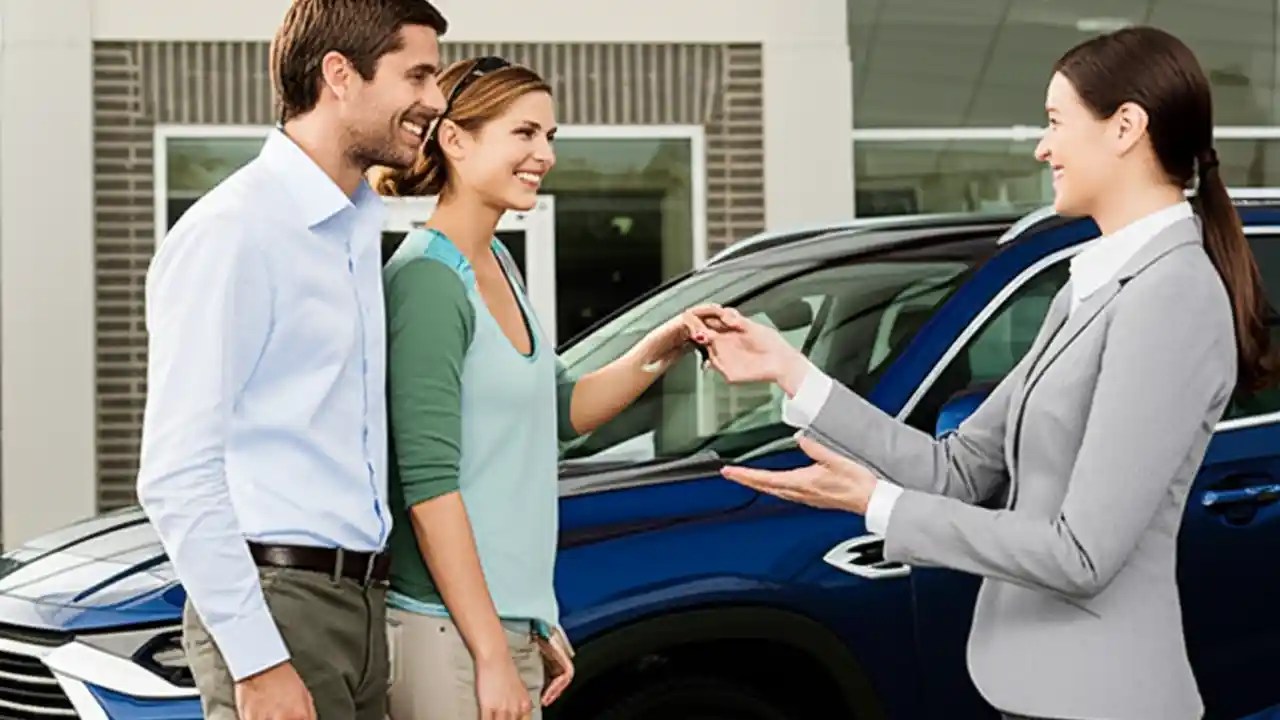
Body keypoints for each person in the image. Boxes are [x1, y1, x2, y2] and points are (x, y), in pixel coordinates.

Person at [698, 26, 1277, 720]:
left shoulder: (1172, 295)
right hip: (1041, 695)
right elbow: (960, 469)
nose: (1042, 146)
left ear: (1125, 127)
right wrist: (791, 373)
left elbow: (1081, 553)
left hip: (1101, 701)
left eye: (1056, 121)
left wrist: (875, 505)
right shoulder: (1091, 287)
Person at [371, 57, 721, 720]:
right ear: (456, 140)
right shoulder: (426, 280)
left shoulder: (498, 263)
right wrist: (492, 654)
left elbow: (563, 410)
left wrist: (668, 342)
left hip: (500, 628)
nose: (545, 155)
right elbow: (429, 489)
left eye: (550, 137)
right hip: (446, 637)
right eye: (525, 133)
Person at [134, 1, 450, 718]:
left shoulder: (356, 227)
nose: (435, 100)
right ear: (340, 74)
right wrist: (258, 659)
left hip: (362, 608)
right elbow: (176, 473)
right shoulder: (234, 230)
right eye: (418, 75)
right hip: (284, 614)